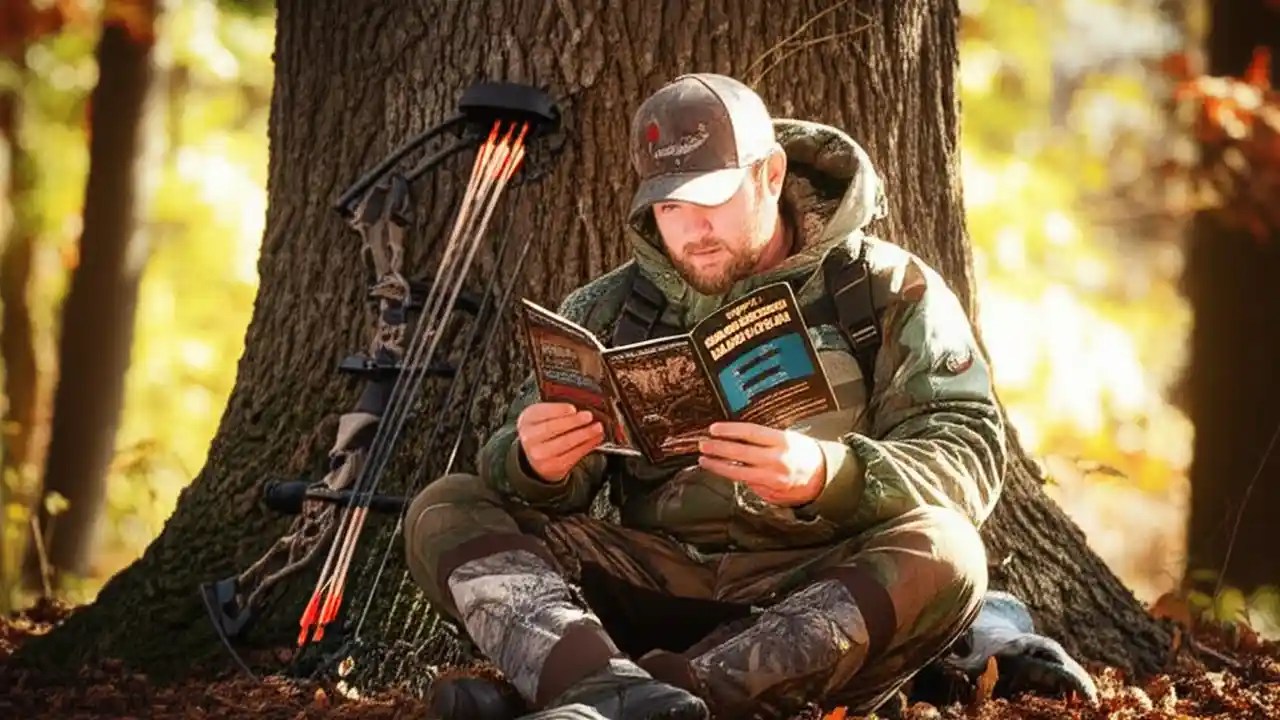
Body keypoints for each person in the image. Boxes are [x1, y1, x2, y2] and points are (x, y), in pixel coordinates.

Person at [403, 73, 1008, 720]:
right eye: (669, 209)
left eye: (711, 200)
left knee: (949, 551)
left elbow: (968, 451)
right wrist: (533, 463)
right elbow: (517, 470)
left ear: (769, 176)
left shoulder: (885, 288)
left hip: (814, 595)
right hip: (649, 582)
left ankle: (648, 698)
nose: (692, 229)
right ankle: (608, 688)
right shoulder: (609, 308)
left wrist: (831, 475)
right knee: (445, 509)